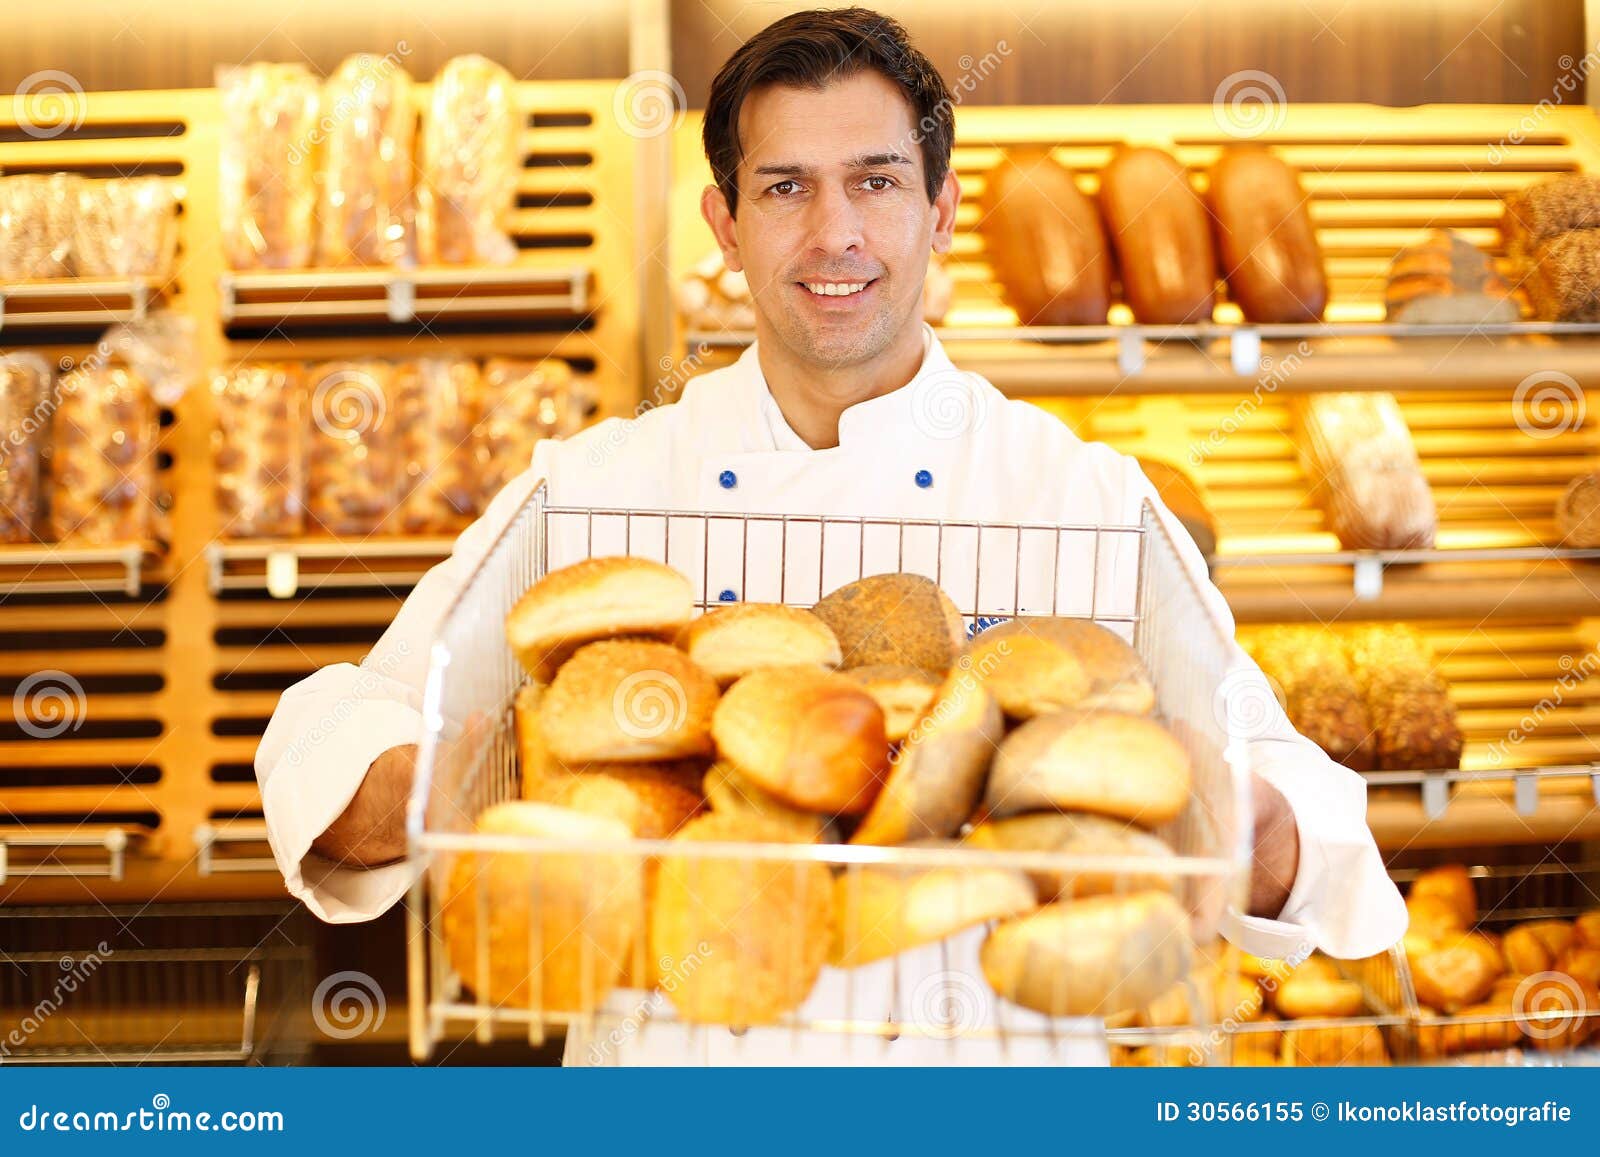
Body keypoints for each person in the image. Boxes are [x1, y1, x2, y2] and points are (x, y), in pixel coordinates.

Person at [257, 7, 1406, 1061]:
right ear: (724, 220)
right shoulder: (591, 487)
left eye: (876, 180)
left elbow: (1316, 820)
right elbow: (335, 723)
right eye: (786, 188)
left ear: (942, 208)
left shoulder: (1086, 497)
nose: (835, 233)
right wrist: (429, 786)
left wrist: (1240, 817)